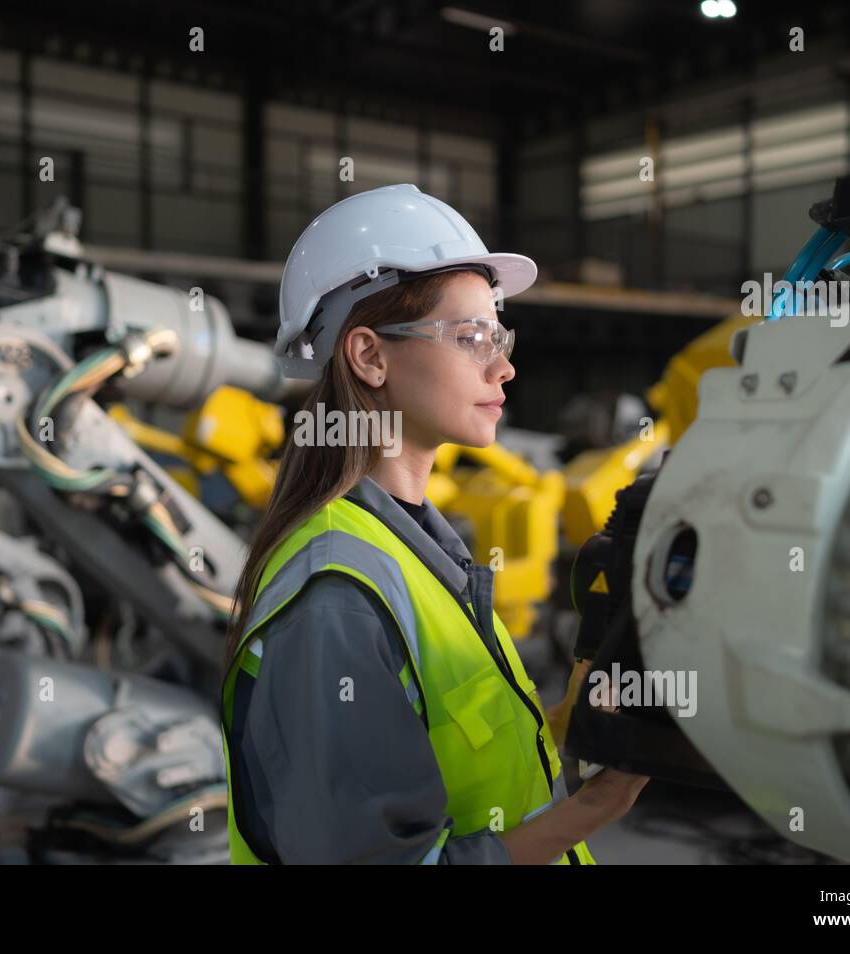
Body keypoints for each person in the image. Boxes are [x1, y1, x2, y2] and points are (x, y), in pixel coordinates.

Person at [219, 183, 649, 864]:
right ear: (368, 356)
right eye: (473, 337)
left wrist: (568, 723)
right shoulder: (336, 601)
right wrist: (592, 810)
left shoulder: (418, 552)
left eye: (500, 336)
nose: (504, 366)